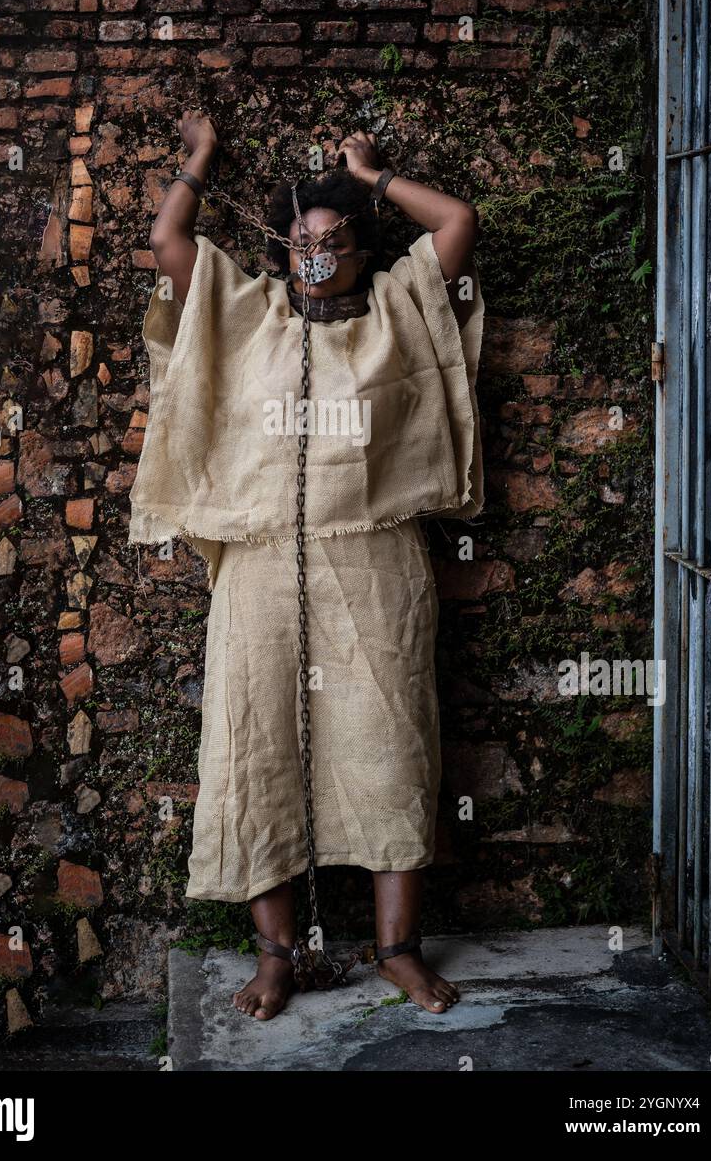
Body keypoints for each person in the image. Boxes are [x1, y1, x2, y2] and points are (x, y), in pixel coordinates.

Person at [129, 108, 484, 1020]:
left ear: (362, 250)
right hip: (257, 574)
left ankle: (398, 951)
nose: (312, 250)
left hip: (374, 569)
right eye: (297, 236)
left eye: (331, 238)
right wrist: (200, 157)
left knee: (392, 748)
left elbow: (454, 224)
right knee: (256, 750)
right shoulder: (241, 312)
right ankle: (276, 956)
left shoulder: (400, 311)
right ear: (279, 249)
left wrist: (366, 175)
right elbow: (169, 237)